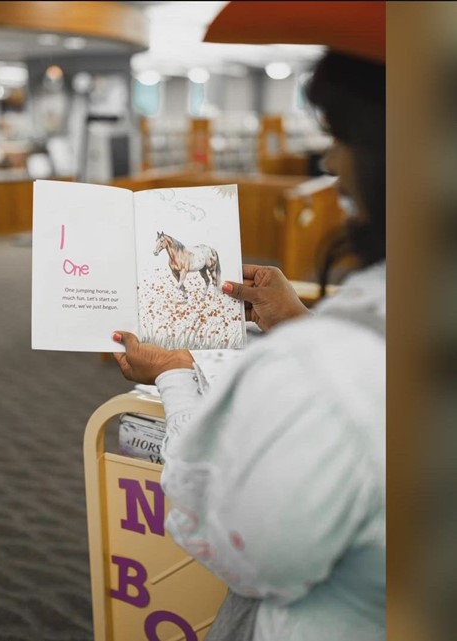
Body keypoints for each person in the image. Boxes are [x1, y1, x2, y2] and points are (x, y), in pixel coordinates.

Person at [111, 4, 385, 640]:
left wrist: (178, 377)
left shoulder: (322, 375)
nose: (332, 166)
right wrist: (296, 320)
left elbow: (238, 549)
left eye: (343, 140)